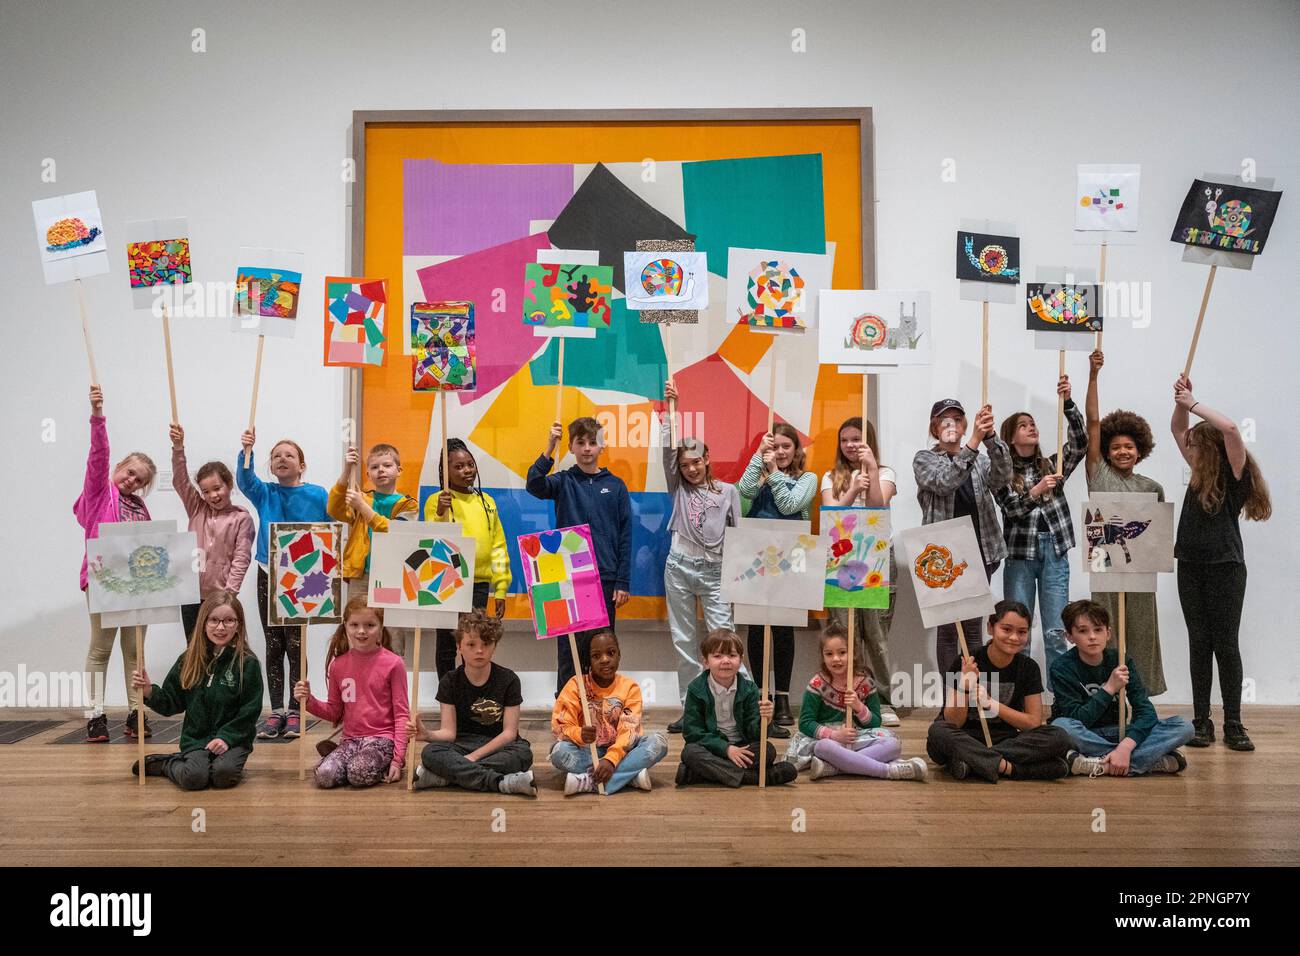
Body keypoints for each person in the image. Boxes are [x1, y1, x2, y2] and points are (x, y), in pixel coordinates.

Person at [1171, 376, 1271, 751]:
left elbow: (1229, 428)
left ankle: (1233, 723)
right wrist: (1180, 401)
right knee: (1199, 643)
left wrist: (1193, 402)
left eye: (1195, 445)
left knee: (1225, 644)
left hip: (1226, 567)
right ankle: (1201, 722)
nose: (1188, 448)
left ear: (1209, 449)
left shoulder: (1235, 474)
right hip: (1190, 565)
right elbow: (1176, 426)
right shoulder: (1198, 475)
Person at [527, 418, 631, 695]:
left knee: (601, 647)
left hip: (604, 578)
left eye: (592, 442)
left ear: (602, 446)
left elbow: (625, 536)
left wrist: (622, 581)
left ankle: (601, 708)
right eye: (580, 443)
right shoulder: (563, 481)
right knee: (568, 648)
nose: (587, 448)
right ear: (571, 447)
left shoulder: (616, 486)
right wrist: (549, 447)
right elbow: (534, 485)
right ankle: (566, 708)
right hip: (566, 577)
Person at [77, 385, 157, 742]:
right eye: (129, 471)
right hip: (103, 581)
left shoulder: (139, 507)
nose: (131, 480)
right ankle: (95, 715)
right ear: (119, 465)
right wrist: (97, 416)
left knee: (134, 651)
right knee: (101, 647)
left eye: (139, 480)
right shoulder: (99, 493)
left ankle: (136, 712)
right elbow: (98, 455)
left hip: (138, 588)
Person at [237, 427, 329, 740]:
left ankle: (296, 709)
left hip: (302, 575)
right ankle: (276, 710)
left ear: (301, 465)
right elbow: (244, 481)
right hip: (268, 571)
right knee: (273, 643)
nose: (282, 459)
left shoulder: (317, 494)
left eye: (289, 455)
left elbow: (329, 532)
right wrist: (246, 452)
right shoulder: (265, 492)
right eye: (276, 456)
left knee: (296, 643)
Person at [1084, 349, 1167, 695]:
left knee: (1141, 635)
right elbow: (1093, 422)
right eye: (1115, 447)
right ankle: (1106, 697)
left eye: (1129, 447)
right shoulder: (1098, 472)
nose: (1122, 452)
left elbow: (1159, 538)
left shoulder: (1151, 488)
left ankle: (1140, 700)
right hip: (1105, 571)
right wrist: (1093, 376)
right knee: (1106, 633)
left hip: (1140, 577)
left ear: (1140, 449)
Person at [660, 381, 741, 734]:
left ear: (707, 460)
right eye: (684, 464)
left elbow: (738, 536)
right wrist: (670, 409)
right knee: (683, 639)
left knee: (724, 637)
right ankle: (691, 708)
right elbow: (667, 450)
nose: (691, 469)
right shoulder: (677, 488)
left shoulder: (728, 491)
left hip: (715, 569)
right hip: (678, 566)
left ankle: (734, 706)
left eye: (696, 462)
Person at [995, 375, 1086, 677]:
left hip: (1054, 550)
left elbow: (1080, 443)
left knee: (1056, 631)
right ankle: (1018, 697)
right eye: (1023, 425)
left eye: (1032, 423)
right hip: (1020, 555)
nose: (1031, 427)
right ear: (1010, 437)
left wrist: (1068, 403)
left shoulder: (1051, 465)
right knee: (1015, 631)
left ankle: (1061, 697)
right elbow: (1011, 508)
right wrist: (1035, 492)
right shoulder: (1002, 473)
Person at [913, 398, 1012, 675]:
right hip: (942, 557)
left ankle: (973, 698)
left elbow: (1003, 476)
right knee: (947, 631)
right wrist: (973, 443)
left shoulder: (980, 460)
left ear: (964, 424)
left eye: (957, 419)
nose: (951, 424)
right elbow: (944, 482)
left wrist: (990, 437)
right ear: (935, 427)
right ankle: (950, 700)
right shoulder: (925, 459)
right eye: (945, 420)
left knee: (973, 630)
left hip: (980, 551)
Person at [926, 601, 1073, 782]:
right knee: (938, 732)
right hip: (964, 736)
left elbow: (1033, 722)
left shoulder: (1028, 668)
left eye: (1022, 632)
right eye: (1006, 629)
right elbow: (953, 722)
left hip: (1005, 739)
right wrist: (964, 686)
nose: (1014, 637)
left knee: (1059, 737)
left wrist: (992, 704)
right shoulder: (966, 662)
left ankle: (972, 762)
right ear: (990, 628)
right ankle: (1011, 768)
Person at [130, 593, 262, 790]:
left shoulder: (247, 663)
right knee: (194, 779)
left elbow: (250, 711)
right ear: (203, 623)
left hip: (234, 741)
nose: (220, 627)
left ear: (238, 625)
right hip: (196, 739)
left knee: (223, 775)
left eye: (228, 621)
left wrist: (227, 737)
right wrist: (149, 692)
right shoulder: (189, 660)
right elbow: (171, 703)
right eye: (214, 620)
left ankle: (216, 763)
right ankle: (167, 764)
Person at [736, 422, 818, 737]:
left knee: (783, 627)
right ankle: (760, 695)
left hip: (791, 554)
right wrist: (759, 456)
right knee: (757, 628)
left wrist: (774, 472)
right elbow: (743, 491)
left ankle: (782, 698)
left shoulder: (807, 479)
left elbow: (788, 504)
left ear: (796, 450)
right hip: (757, 555)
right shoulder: (761, 473)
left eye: (786, 446)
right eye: (775, 446)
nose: (781, 452)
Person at [1050, 600, 1193, 775]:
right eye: (1082, 631)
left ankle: (1103, 764)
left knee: (1184, 726)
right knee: (1061, 727)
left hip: (1118, 731)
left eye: (1098, 629)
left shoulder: (1121, 661)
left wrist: (1125, 747)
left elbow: (1146, 711)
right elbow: (1078, 719)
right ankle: (1143, 762)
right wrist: (1109, 688)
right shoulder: (1061, 667)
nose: (1092, 636)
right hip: (1085, 734)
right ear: (1069, 636)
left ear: (1108, 633)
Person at [821, 416, 900, 726]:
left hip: (878, 558)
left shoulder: (886, 473)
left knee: (877, 635)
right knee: (845, 634)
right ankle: (846, 697)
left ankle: (882, 700)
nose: (851, 445)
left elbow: (880, 508)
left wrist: (871, 469)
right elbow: (832, 515)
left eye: (857, 439)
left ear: (869, 441)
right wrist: (853, 488)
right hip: (842, 561)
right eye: (845, 440)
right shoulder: (831, 477)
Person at [407, 610, 535, 796]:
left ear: (495, 646)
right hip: (460, 744)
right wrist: (427, 734)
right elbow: (449, 733)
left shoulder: (509, 679)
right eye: (471, 644)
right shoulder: (449, 681)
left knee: (523, 754)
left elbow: (509, 734)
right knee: (430, 752)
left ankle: (445, 778)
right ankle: (500, 782)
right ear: (459, 647)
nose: (479, 650)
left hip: (497, 745)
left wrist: (472, 758)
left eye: (486, 644)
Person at [294, 598, 409, 788]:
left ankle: (367, 761)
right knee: (324, 776)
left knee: (358, 772)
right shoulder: (338, 666)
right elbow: (333, 712)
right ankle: (341, 757)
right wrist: (309, 700)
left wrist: (398, 758)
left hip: (383, 739)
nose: (361, 631)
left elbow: (402, 714)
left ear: (381, 627)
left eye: (370, 625)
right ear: (345, 626)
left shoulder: (394, 663)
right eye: (354, 625)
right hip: (351, 739)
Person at [796, 623, 927, 781]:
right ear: (822, 656)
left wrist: (859, 707)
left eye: (842, 652)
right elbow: (805, 722)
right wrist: (835, 735)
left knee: (893, 745)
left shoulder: (866, 683)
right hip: (831, 741)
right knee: (822, 747)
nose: (836, 659)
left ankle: (834, 767)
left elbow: (875, 722)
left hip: (859, 737)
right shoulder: (817, 684)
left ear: (854, 653)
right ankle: (887, 771)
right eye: (829, 654)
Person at [425, 438, 510, 678]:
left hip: (478, 585)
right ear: (446, 471)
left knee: (474, 643)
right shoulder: (437, 501)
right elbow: (433, 540)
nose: (466, 471)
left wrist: (501, 587)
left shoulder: (487, 502)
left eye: (470, 464)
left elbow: (498, 546)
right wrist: (441, 511)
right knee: (445, 645)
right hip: (445, 583)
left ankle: (469, 694)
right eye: (458, 466)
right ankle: (447, 698)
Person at [550, 631, 667, 794]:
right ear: (588, 660)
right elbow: (560, 726)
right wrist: (579, 733)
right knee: (559, 752)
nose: (605, 659)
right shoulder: (576, 685)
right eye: (596, 656)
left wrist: (611, 760)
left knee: (658, 742)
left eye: (611, 653)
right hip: (587, 751)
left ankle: (590, 781)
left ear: (619, 655)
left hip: (622, 750)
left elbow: (629, 731)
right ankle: (629, 776)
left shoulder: (629, 687)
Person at [328, 443, 418, 655]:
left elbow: (393, 532)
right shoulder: (363, 498)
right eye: (375, 467)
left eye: (387, 465)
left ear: (399, 470)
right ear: (367, 473)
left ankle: (393, 678)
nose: (381, 470)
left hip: (394, 577)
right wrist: (346, 472)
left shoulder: (408, 504)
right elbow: (334, 508)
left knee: (393, 633)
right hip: (362, 575)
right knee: (357, 629)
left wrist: (363, 507)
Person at [677, 629, 798, 787]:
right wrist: (726, 749)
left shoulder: (749, 689)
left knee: (768, 750)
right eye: (718, 656)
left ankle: (701, 774)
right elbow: (692, 733)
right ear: (706, 661)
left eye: (732, 655)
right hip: (712, 748)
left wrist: (767, 721)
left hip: (743, 746)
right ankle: (756, 778)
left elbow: (755, 735)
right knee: (690, 753)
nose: (725, 661)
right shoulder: (696, 689)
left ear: (741, 660)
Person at [169, 423, 253, 640]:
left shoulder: (241, 518)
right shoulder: (197, 508)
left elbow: (241, 558)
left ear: (229, 485)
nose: (213, 495)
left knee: (223, 650)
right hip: (191, 596)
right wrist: (178, 448)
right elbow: (180, 481)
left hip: (221, 598)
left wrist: (229, 595)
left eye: (217, 488)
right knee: (194, 650)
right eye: (206, 491)